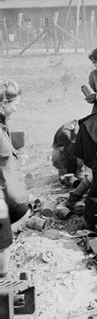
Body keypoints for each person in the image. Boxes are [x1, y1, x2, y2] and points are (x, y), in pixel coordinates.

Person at [0, 81, 30, 278]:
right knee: (2, 241)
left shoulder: (3, 125)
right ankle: (2, 283)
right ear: (4, 103)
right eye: (15, 104)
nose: (17, 108)